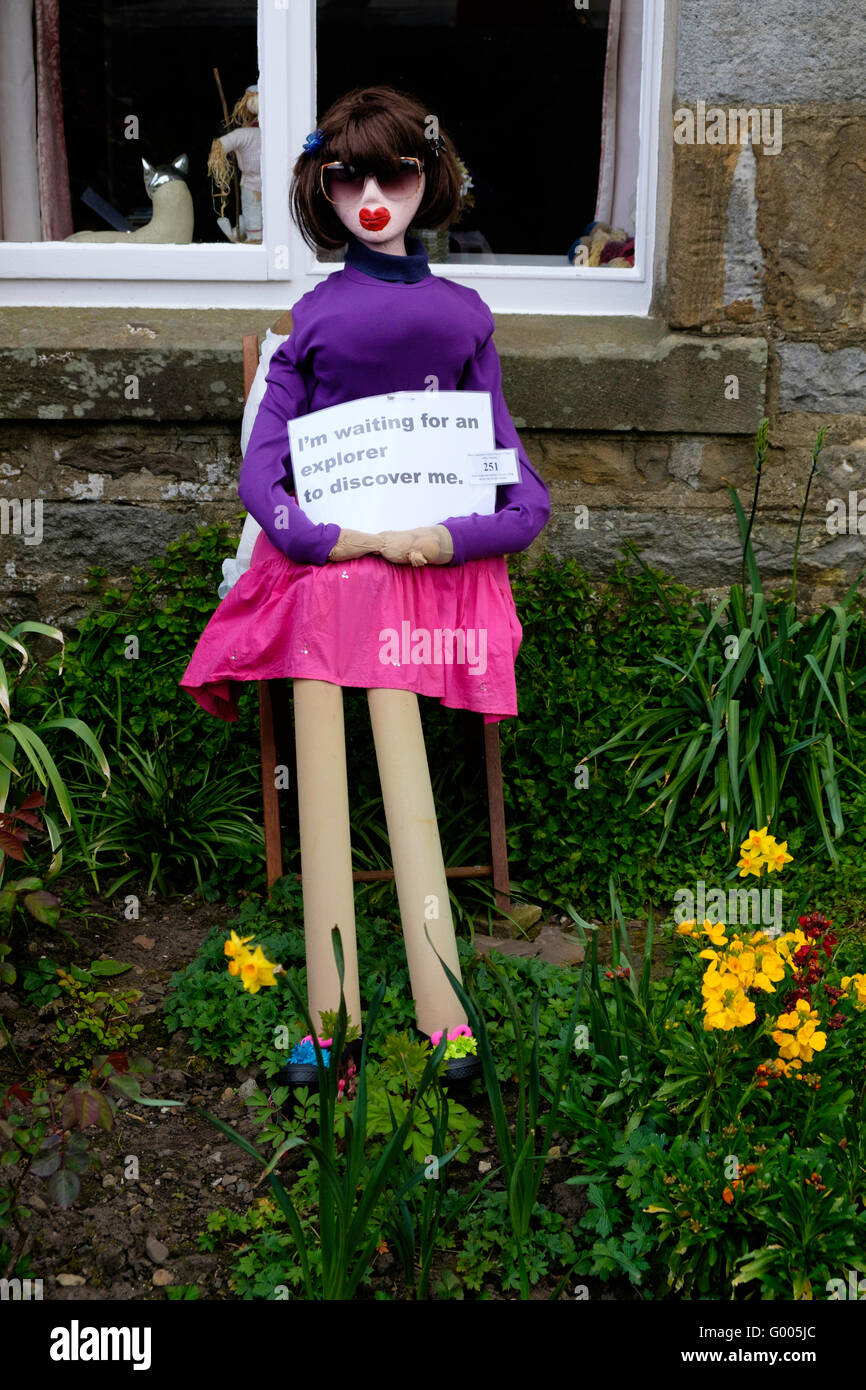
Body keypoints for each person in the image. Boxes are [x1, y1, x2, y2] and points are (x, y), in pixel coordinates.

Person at [181, 85, 550, 1082]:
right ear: (321, 187)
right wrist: (326, 537)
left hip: (410, 575)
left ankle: (439, 1010)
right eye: (350, 177)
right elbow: (264, 478)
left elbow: (521, 494)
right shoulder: (308, 324)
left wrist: (442, 534)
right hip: (329, 571)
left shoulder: (463, 319)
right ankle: (328, 1008)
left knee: (393, 737)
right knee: (325, 735)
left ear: (428, 178)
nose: (374, 195)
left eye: (395, 172)